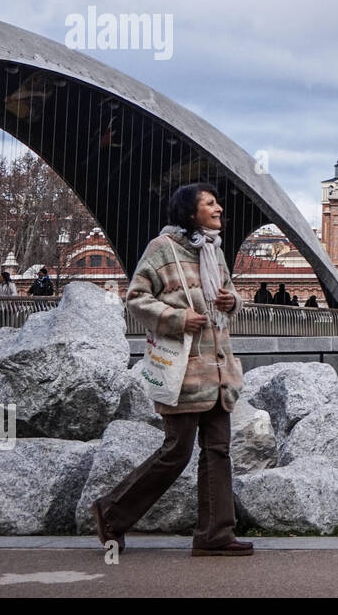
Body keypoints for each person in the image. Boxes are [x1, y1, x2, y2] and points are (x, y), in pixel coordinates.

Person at [90, 182, 252, 557]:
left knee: (218, 450)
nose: (219, 209)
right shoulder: (162, 250)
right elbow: (136, 297)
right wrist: (177, 318)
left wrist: (233, 301)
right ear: (189, 211)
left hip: (217, 370)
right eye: (210, 204)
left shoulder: (214, 251)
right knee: (177, 450)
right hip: (184, 372)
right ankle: (111, 513)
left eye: (217, 203)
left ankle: (215, 534)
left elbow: (225, 294)